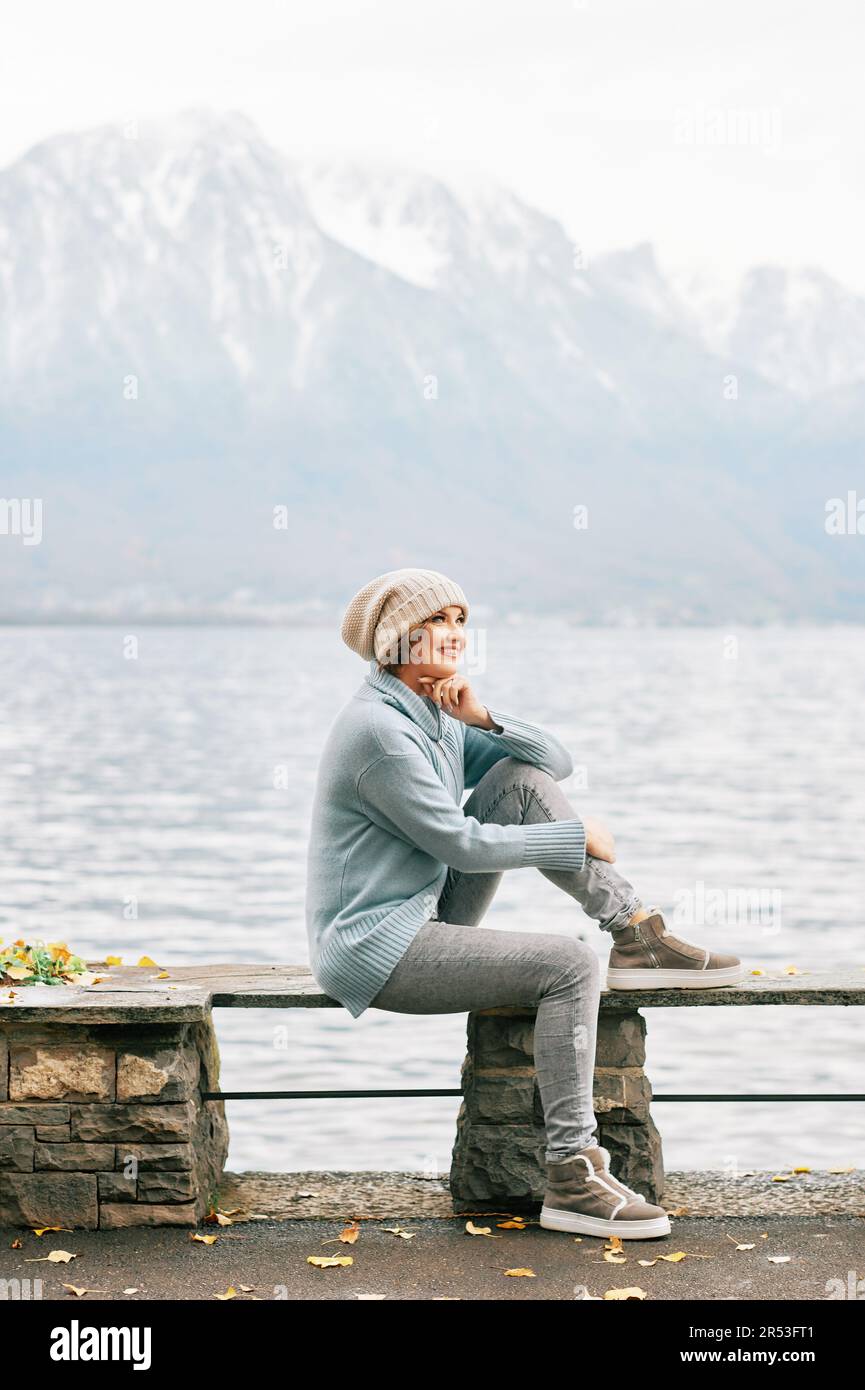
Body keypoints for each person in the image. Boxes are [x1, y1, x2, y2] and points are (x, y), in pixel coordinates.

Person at [304, 567, 744, 1238]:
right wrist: (575, 836)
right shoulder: (376, 733)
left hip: (426, 914)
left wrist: (481, 716)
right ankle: (571, 1176)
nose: (455, 633)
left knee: (516, 776)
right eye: (437, 621)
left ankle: (633, 930)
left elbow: (552, 763)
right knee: (567, 964)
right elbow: (460, 844)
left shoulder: (433, 715)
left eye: (459, 619)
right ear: (397, 639)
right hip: (376, 947)